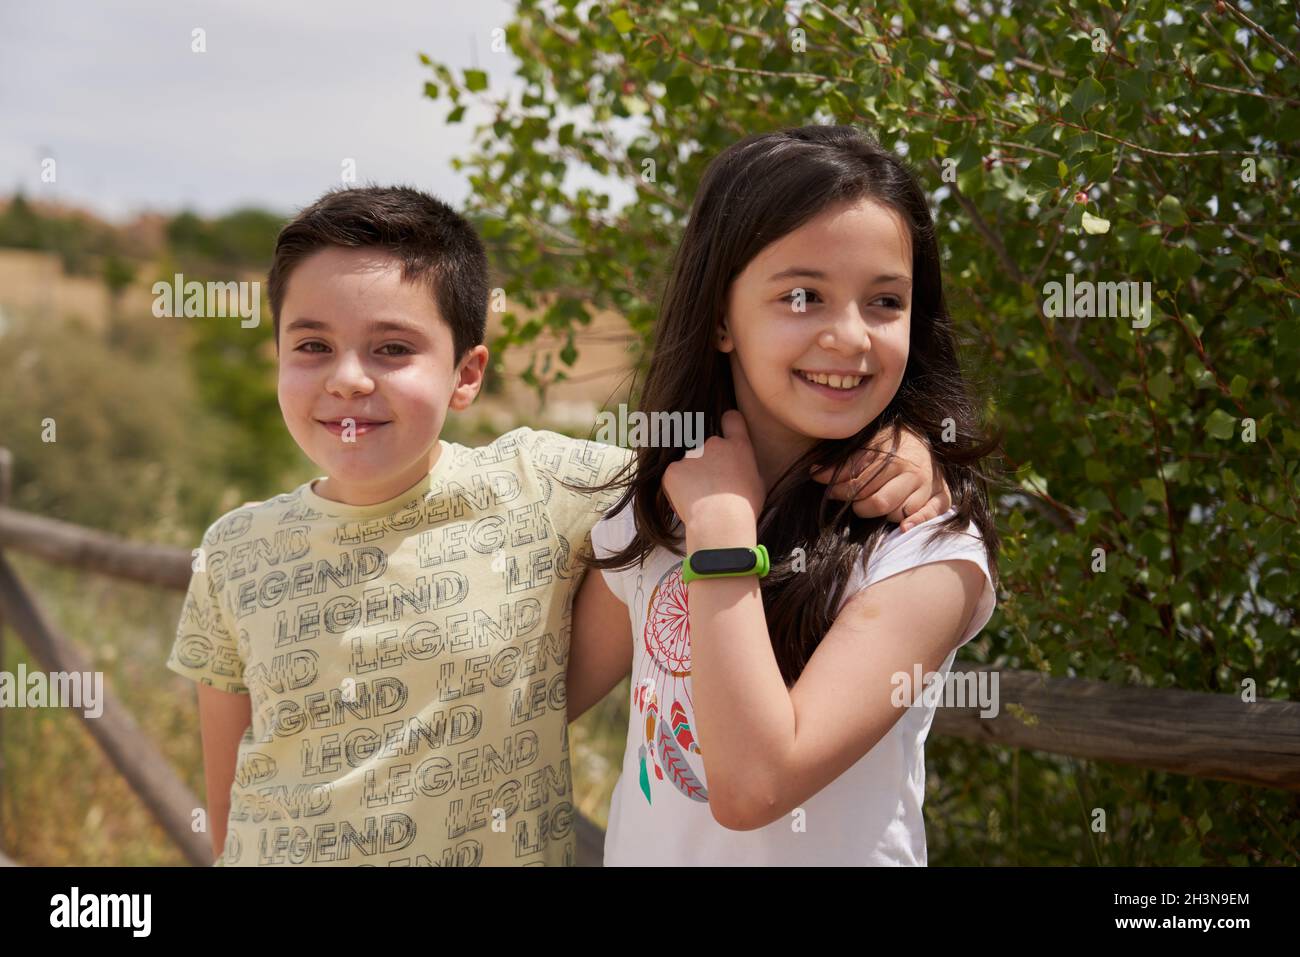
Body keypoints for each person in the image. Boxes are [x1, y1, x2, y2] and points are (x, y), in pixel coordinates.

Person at [165, 183, 952, 866]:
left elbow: (704, 462)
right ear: (275, 355)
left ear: (467, 372)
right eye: (311, 346)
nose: (347, 378)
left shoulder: (544, 484)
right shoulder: (232, 550)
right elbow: (233, 797)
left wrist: (905, 442)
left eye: (393, 348)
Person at [567, 125, 1003, 866]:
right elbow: (532, 708)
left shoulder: (926, 545)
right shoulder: (657, 509)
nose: (850, 337)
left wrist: (724, 534)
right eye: (802, 296)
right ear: (718, 317)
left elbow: (755, 785)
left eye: (885, 301)